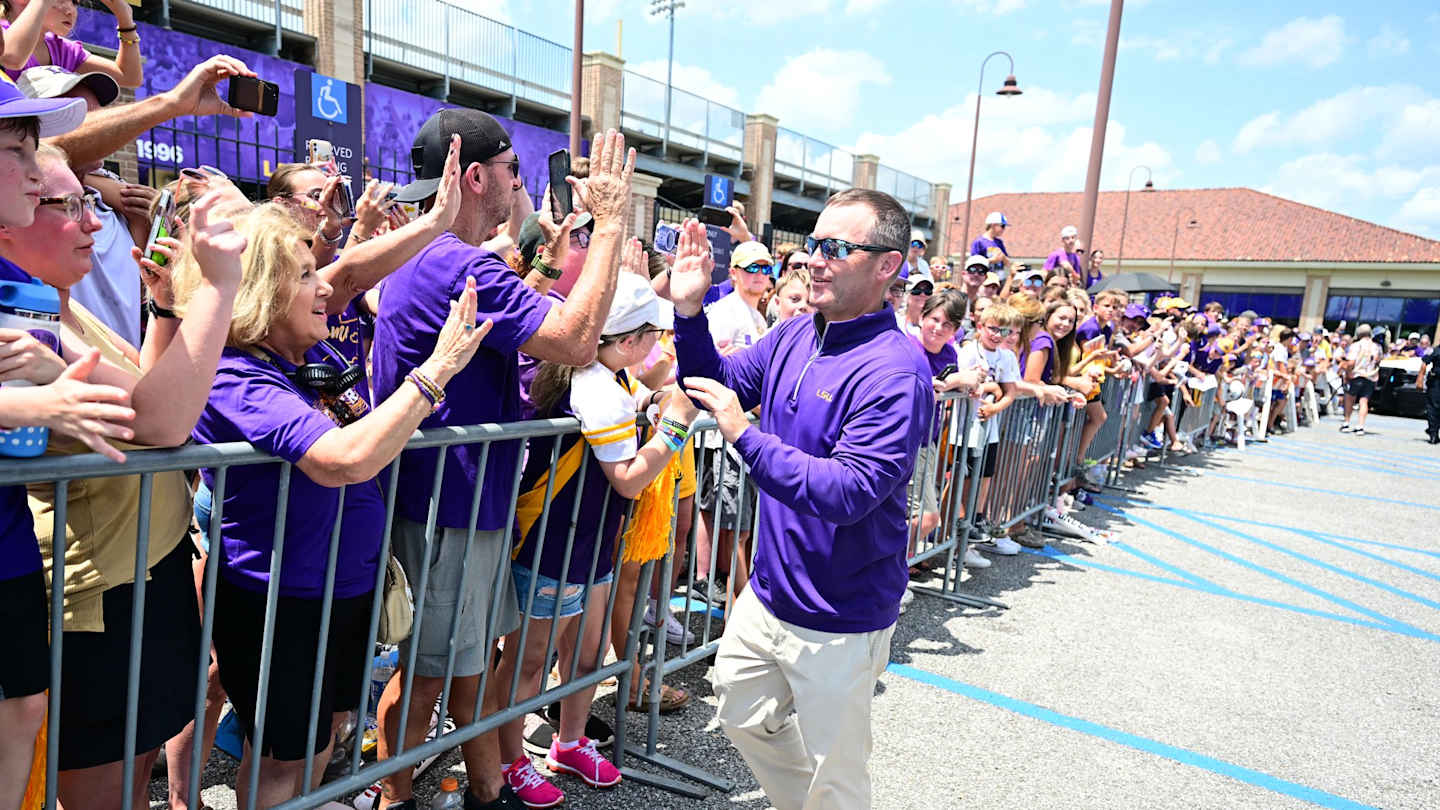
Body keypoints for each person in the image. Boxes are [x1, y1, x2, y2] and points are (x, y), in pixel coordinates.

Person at [177, 195, 489, 806]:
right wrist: (439, 369)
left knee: (318, 739)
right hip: (281, 603)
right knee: (279, 760)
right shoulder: (235, 372)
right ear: (261, 291)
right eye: (301, 275)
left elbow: (348, 276)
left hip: (336, 592)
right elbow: (343, 460)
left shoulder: (304, 351)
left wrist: (434, 225)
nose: (322, 286)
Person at [370, 112, 634, 810]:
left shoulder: (431, 256)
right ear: (476, 176)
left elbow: (519, 307)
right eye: (514, 169)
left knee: (462, 667)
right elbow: (577, 340)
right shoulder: (458, 261)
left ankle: (487, 787)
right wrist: (609, 226)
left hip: (454, 501)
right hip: (448, 507)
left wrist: (549, 255)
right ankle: (396, 799)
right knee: (426, 674)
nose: (520, 184)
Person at [669, 188, 932, 810]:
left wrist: (745, 435)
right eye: (814, 244)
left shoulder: (895, 370)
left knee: (838, 779)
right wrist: (687, 315)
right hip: (769, 594)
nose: (814, 259)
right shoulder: (795, 334)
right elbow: (717, 383)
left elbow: (849, 492)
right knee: (738, 713)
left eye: (836, 248)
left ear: (886, 265)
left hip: (842, 613)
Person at [7, 145, 241, 810]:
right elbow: (161, 422)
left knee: (138, 757)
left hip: (148, 564)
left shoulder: (62, 307)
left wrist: (165, 309)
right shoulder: (22, 326)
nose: (92, 223)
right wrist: (219, 286)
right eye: (66, 205)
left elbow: (147, 395)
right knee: (98, 786)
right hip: (95, 591)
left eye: (90, 204)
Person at [493, 273, 695, 806]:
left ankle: (568, 742)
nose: (660, 343)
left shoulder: (609, 375)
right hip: (553, 544)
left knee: (585, 656)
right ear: (629, 341)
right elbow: (628, 478)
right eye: (655, 333)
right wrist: (675, 426)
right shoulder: (593, 386)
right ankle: (508, 759)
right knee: (528, 663)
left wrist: (653, 406)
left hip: (593, 542)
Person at [0, 78, 141, 810]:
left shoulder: (15, 283)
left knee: (24, 710)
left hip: (11, 549)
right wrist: (39, 402)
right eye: (14, 149)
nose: (33, 169)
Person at [689, 239, 771, 608]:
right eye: (751, 268)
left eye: (765, 268)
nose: (759, 275)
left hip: (738, 432)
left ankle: (715, 577)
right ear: (734, 273)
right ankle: (704, 578)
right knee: (717, 509)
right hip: (715, 431)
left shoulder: (758, 316)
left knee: (726, 511)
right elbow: (711, 364)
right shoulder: (724, 311)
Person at [1, 0, 142, 87]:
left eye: (74, 2)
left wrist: (125, 18)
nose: (71, 11)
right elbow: (11, 57)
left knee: (87, 98)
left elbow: (129, 77)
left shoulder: (64, 50)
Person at [1338, 323, 1381, 436]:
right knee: (1364, 401)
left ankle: (1346, 423)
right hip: (1370, 376)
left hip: (1357, 375)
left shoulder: (1356, 345)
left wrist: (1347, 373)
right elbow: (1378, 361)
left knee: (1350, 399)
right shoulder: (1376, 347)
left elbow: (1351, 362)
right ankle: (1360, 426)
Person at [1419, 345, 1439, 444]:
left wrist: (1420, 378)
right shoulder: (1435, 350)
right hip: (1436, 383)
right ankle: (1434, 433)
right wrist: (1420, 378)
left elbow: (1424, 362)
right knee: (1434, 407)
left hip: (1436, 384)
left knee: (1433, 408)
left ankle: (1433, 431)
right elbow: (1424, 362)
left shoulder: (1436, 350)